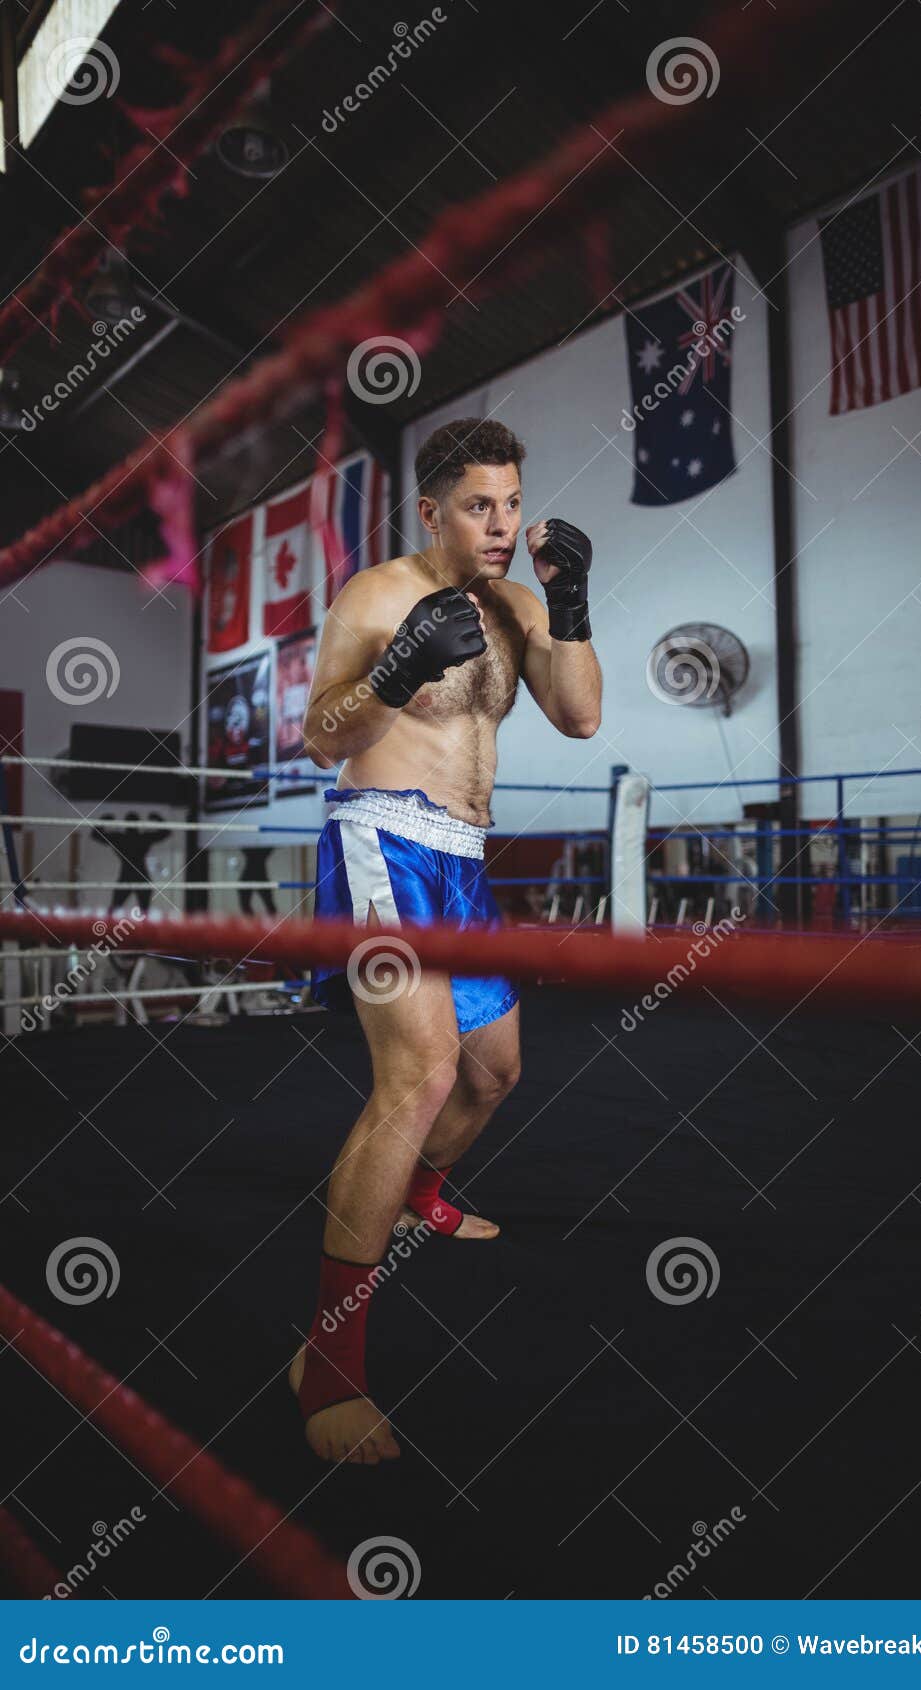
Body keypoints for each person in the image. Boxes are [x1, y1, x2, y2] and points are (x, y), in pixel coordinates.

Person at [292, 417, 602, 1464]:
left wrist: (568, 601)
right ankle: (326, 1368)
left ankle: (418, 1194)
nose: (502, 524)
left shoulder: (516, 601)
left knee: (494, 1072)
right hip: (381, 839)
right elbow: (319, 735)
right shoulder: (375, 595)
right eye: (480, 505)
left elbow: (579, 717)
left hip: (464, 860)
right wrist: (390, 678)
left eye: (511, 503)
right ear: (432, 509)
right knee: (417, 1076)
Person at [91, 812, 170, 913]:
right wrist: (157, 818)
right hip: (140, 876)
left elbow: (95, 835)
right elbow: (166, 832)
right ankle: (111, 926)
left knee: (116, 909)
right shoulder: (142, 838)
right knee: (143, 912)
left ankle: (107, 927)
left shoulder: (120, 838)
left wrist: (104, 820)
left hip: (128, 876)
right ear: (137, 824)